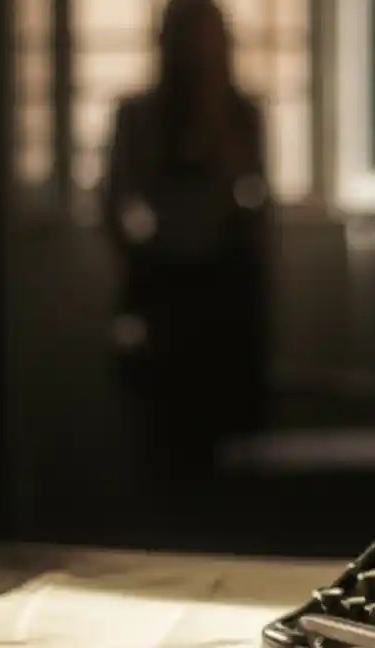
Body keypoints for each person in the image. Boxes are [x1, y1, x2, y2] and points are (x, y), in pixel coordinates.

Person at [102, 0, 270, 484]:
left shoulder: (241, 114)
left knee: (228, 434)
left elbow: (257, 200)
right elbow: (114, 201)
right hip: (162, 284)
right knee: (163, 433)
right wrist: (141, 253)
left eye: (205, 43)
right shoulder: (139, 116)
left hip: (225, 284)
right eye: (188, 43)